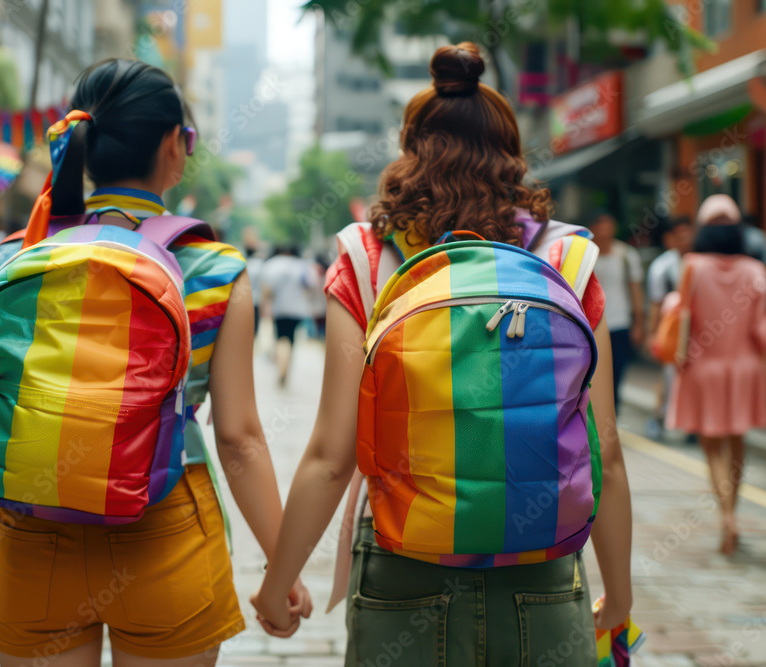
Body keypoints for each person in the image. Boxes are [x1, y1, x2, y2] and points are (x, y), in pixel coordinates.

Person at [252, 43, 633, 665]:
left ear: (411, 151)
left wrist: (277, 583)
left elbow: (331, 455)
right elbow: (607, 451)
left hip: (404, 564)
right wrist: (618, 592)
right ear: (511, 158)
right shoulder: (568, 258)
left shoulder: (367, 258)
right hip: (542, 565)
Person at [0, 58, 310, 667]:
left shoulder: (16, 256)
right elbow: (240, 438)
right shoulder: (217, 267)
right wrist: (282, 573)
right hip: (165, 522)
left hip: (33, 531)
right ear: (174, 144)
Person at [667, 194, 766, 557]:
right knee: (737, 442)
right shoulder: (756, 270)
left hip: (702, 365)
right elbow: (762, 331)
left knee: (711, 447)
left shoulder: (692, 266)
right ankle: (734, 511)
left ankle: (726, 515)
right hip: (744, 368)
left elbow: (682, 315)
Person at [588, 210, 644, 410]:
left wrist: (638, 324)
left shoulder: (626, 255)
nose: (605, 231)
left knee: (617, 371)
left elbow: (635, 291)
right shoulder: (586, 256)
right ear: (593, 229)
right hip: (592, 325)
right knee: (594, 373)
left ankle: (613, 412)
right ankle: (597, 411)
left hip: (620, 323)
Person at [645, 216, 693, 438]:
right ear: (670, 239)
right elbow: (656, 304)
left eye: (688, 233)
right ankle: (660, 416)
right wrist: (653, 334)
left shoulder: (699, 262)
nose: (685, 238)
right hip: (672, 332)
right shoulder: (662, 267)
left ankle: (692, 423)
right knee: (668, 375)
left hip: (698, 332)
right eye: (680, 234)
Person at [260, 246, 315, 387]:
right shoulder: (301, 265)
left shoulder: (272, 265)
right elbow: (311, 285)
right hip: (297, 310)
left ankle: (281, 368)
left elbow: (266, 290)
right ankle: (286, 369)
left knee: (280, 338)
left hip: (279, 309)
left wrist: (265, 306)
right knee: (291, 340)